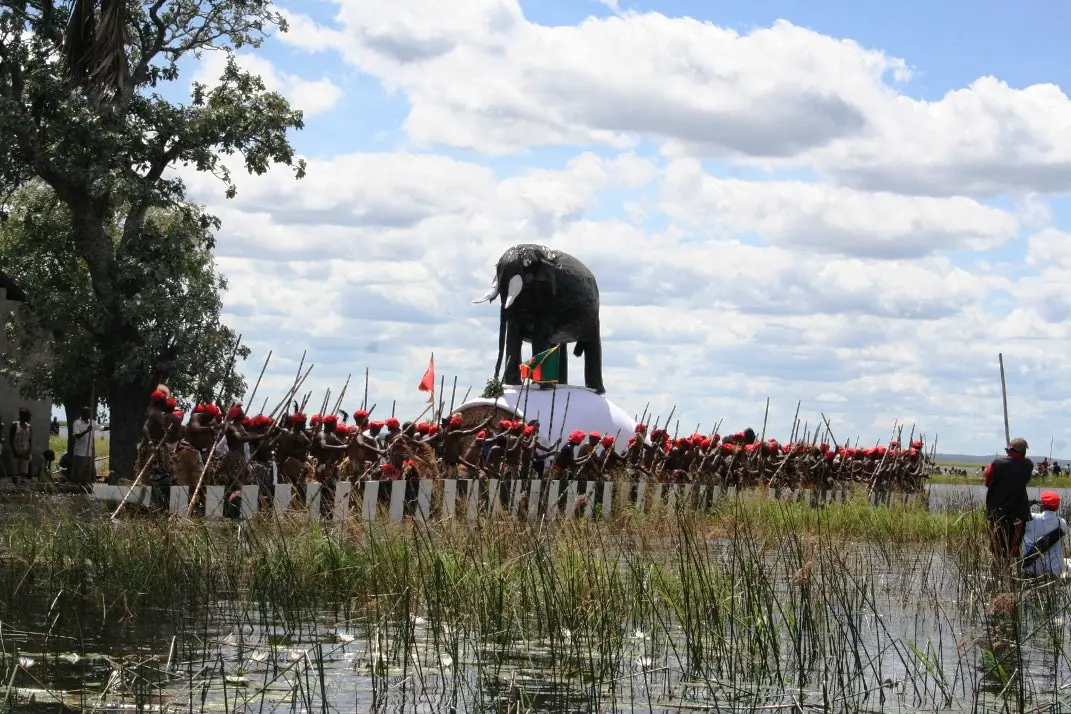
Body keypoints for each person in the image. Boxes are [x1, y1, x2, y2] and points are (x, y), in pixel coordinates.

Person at [985, 437, 1033, 563]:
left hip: (998, 510)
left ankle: (998, 570)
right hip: (1019, 511)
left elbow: (987, 482)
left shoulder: (996, 463)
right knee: (1015, 545)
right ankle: (1013, 570)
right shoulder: (1028, 464)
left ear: (1009, 450)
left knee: (996, 545)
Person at [1022, 491, 1067, 577]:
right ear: (1057, 507)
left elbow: (1017, 514)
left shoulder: (1031, 518)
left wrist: (1028, 504)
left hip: (1032, 568)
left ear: (1041, 505)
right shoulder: (1061, 522)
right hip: (1055, 567)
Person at [71, 406, 109, 485]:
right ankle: (76, 485)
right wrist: (87, 430)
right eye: (88, 413)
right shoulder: (77, 423)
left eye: (90, 414)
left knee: (88, 472)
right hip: (80, 452)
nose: (90, 415)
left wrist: (111, 427)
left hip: (89, 452)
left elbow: (101, 428)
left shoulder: (92, 422)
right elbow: (77, 436)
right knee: (79, 472)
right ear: (83, 414)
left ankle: (87, 486)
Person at [9, 407, 33, 483]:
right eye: (28, 416)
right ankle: (14, 491)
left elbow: (30, 441)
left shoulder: (29, 427)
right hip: (16, 453)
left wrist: (28, 452)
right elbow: (11, 440)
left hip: (25, 453)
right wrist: (15, 452)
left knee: (23, 475)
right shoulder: (15, 425)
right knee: (15, 475)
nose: (29, 418)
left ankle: (22, 491)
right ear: (23, 416)